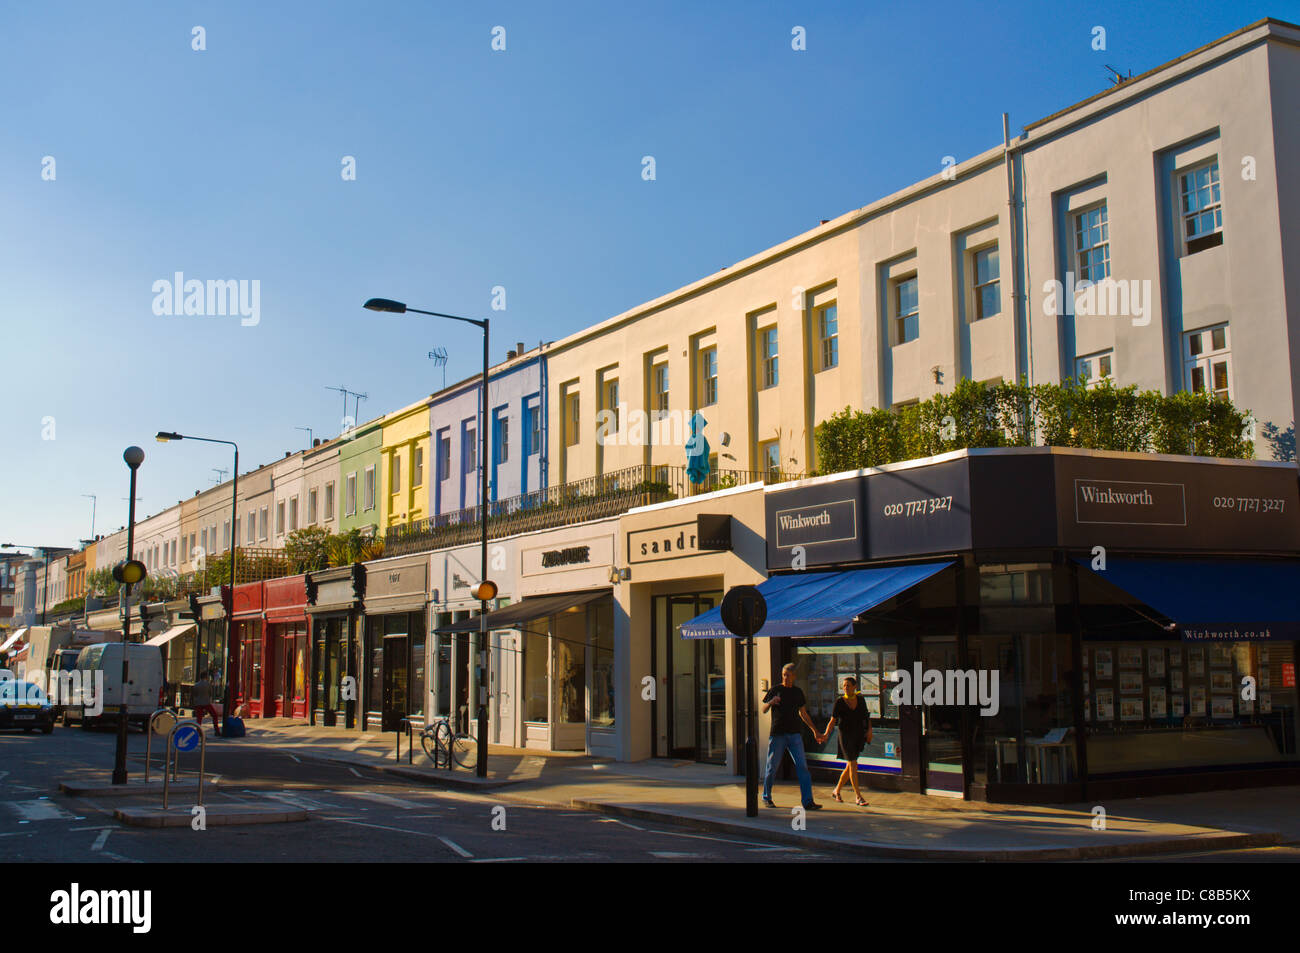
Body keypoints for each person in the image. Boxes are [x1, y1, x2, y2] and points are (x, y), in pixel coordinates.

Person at [761, 663, 822, 810]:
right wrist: (771, 702)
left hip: (795, 734)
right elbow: (763, 709)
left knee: (802, 767)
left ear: (794, 676)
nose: (785, 678)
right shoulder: (775, 690)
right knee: (772, 767)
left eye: (788, 675)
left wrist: (814, 730)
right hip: (778, 734)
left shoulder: (797, 692)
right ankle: (766, 797)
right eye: (783, 675)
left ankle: (808, 801)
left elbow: (803, 713)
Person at [822, 676, 871, 806]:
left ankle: (836, 791)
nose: (845, 688)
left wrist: (869, 731)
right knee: (853, 764)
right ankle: (858, 796)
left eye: (848, 685)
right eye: (843, 686)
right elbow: (833, 720)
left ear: (854, 687)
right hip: (845, 736)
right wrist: (826, 734)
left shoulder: (860, 700)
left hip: (858, 735)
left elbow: (866, 716)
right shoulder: (839, 702)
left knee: (850, 765)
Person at [191, 670, 222, 737]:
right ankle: (216, 730)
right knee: (214, 715)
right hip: (206, 702)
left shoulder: (196, 685)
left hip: (198, 703)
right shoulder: (208, 684)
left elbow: (195, 694)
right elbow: (210, 693)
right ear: (206, 677)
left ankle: (198, 731)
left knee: (199, 718)